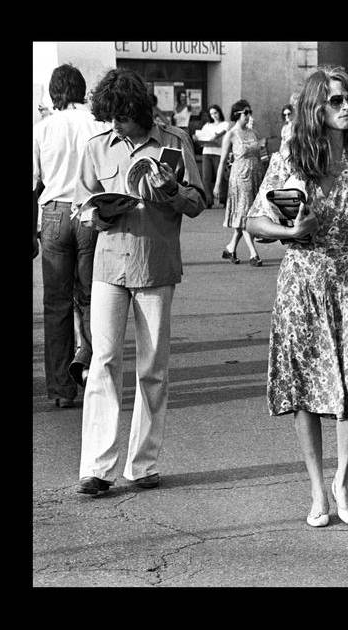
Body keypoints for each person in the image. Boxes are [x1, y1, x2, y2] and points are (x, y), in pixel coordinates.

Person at [246, 67, 348, 528]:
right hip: (300, 284)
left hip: (347, 280)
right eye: (335, 100)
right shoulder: (290, 160)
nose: (346, 106)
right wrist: (291, 230)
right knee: (307, 389)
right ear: (315, 108)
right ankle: (316, 487)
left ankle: (343, 479)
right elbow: (254, 221)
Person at [74, 68, 207, 495]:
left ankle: (143, 463)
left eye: (122, 117)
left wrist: (171, 192)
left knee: (153, 368)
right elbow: (83, 205)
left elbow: (199, 202)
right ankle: (96, 467)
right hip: (109, 266)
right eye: (108, 117)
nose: (115, 124)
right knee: (104, 362)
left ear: (139, 111)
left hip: (155, 265)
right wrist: (97, 213)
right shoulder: (97, 147)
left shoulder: (173, 142)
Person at [32, 64, 110, 408]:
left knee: (56, 305)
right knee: (93, 299)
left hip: (54, 214)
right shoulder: (98, 125)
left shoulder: (42, 129)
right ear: (81, 90)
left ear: (53, 92)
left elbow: (34, 182)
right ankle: (95, 375)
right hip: (89, 212)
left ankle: (61, 389)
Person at [214, 100, 265, 266]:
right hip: (239, 178)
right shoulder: (231, 134)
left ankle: (230, 248)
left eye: (250, 111)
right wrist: (216, 184)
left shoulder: (253, 132)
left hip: (255, 175)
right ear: (237, 115)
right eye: (246, 112)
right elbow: (222, 161)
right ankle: (253, 254)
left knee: (248, 213)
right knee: (244, 214)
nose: (249, 115)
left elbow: (260, 155)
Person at [193, 104, 230, 208]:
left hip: (219, 152)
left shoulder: (225, 124)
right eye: (212, 114)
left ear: (219, 112)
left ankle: (223, 199)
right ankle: (208, 200)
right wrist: (197, 138)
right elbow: (202, 137)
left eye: (216, 113)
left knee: (221, 176)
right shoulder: (207, 126)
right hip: (207, 152)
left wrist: (216, 136)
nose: (214, 115)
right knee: (206, 177)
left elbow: (223, 133)